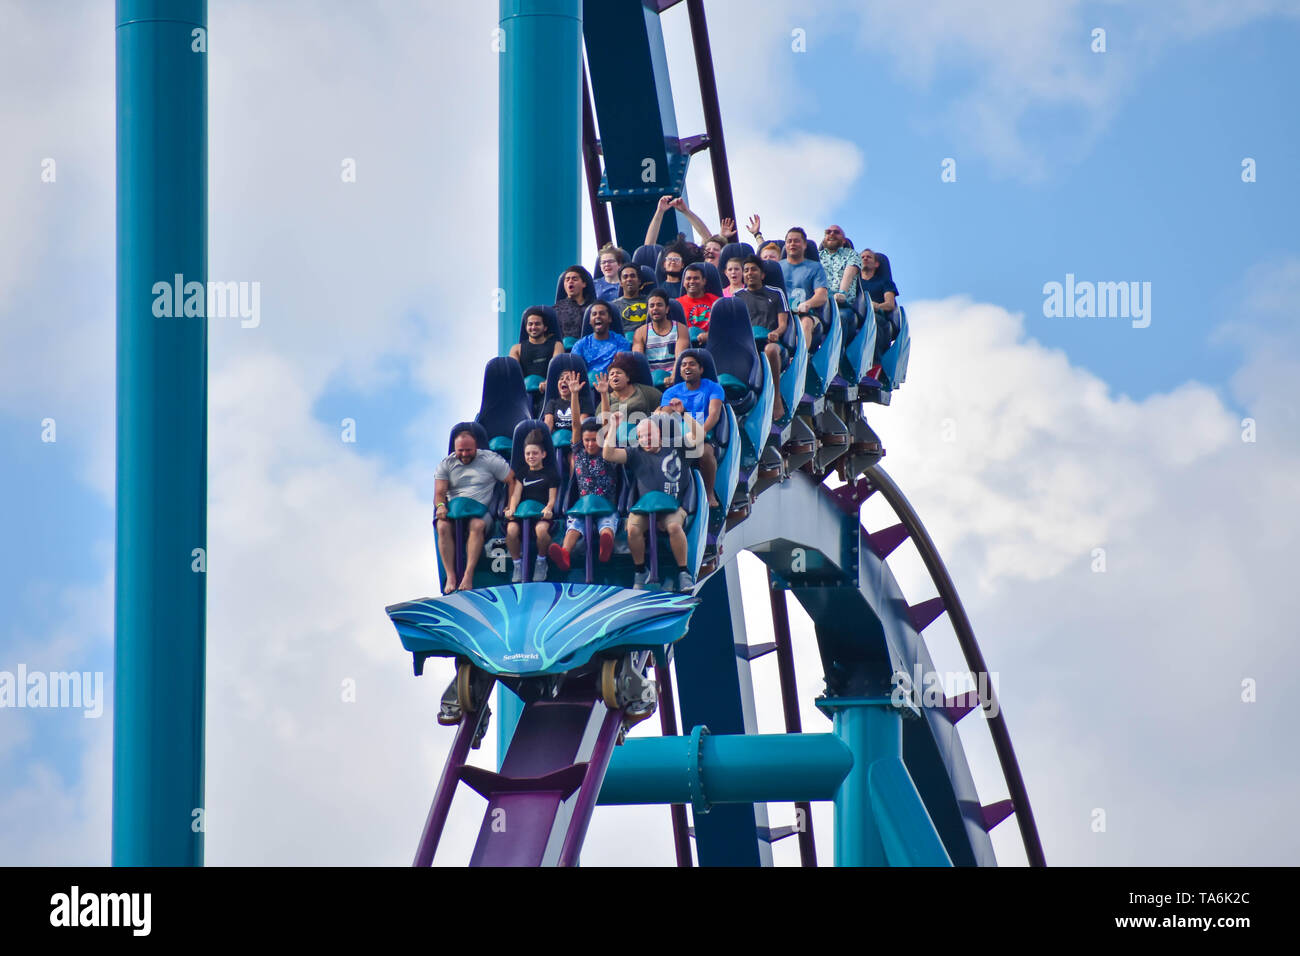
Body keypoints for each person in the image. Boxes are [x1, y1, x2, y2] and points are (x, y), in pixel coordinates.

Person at [603, 409, 703, 592]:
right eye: (641, 437)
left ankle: (683, 572)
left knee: (673, 527)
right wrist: (612, 427)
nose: (646, 440)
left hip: (672, 507)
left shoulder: (676, 445)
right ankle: (641, 571)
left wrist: (684, 415)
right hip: (645, 508)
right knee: (632, 529)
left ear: (659, 433)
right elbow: (608, 455)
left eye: (649, 435)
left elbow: (699, 436)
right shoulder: (635, 453)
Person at [433, 424, 515, 593]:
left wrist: (510, 504)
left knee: (476, 526)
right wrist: (441, 506)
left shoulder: (490, 460)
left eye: (468, 450)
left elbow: (512, 480)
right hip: (454, 511)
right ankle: (451, 576)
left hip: (481, 511)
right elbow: (439, 493)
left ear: (476, 446)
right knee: (442, 526)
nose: (464, 454)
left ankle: (468, 575)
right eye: (460, 450)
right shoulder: (446, 464)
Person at [548, 399, 619, 572]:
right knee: (574, 525)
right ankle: (565, 553)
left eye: (594, 440)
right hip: (583, 505)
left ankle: (605, 546)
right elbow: (575, 424)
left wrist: (603, 393)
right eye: (586, 440)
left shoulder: (606, 452)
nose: (589, 444)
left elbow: (608, 426)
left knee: (607, 523)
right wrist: (574, 394)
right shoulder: (578, 451)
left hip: (606, 504)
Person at [660, 350, 723, 508]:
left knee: (705, 453)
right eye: (683, 365)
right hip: (679, 436)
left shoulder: (713, 387)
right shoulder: (671, 392)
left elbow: (714, 415)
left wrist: (700, 434)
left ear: (701, 369)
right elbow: (664, 414)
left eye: (692, 364)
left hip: (705, 435)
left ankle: (709, 493)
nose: (687, 367)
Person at [735, 256, 790, 420]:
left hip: (770, 340)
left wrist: (776, 333)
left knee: (771, 350)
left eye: (753, 269)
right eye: (746, 270)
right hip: (747, 344)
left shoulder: (775, 293)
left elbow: (783, 324)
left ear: (762, 274)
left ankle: (776, 397)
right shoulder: (737, 297)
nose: (749, 273)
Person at [502, 427, 560, 582]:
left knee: (541, 530)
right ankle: (517, 564)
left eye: (535, 453)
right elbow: (516, 495)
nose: (531, 456)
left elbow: (552, 498)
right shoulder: (522, 473)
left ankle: (541, 561)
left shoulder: (551, 474)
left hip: (540, 513)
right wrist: (512, 508)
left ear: (543, 454)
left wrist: (548, 508)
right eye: (528, 454)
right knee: (511, 530)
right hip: (523, 513)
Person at [779, 227, 829, 348]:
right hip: (781, 314)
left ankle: (800, 360)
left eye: (796, 241)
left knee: (805, 323)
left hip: (806, 314)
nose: (792, 244)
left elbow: (821, 295)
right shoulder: (778, 267)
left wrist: (808, 304)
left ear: (805, 245)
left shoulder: (815, 267)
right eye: (789, 241)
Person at [633, 288, 689, 385]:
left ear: (667, 309)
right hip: (650, 381)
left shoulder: (681, 329)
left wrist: (673, 378)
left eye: (659, 305)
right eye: (652, 306)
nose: (655, 308)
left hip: (675, 379)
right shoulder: (640, 332)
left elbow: (680, 357)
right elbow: (639, 362)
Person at [859, 249, 900, 371]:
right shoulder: (855, 282)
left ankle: (875, 366)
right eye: (862, 257)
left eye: (869, 257)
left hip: (877, 315)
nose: (865, 259)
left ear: (876, 264)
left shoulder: (884, 282)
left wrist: (877, 306)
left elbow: (890, 304)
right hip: (859, 315)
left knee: (875, 323)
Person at [508, 307, 563, 400]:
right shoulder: (516, 349)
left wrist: (547, 383)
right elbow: (513, 375)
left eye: (537, 324)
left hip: (549, 394)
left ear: (545, 327)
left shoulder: (557, 345)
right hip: (524, 395)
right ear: (526, 327)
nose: (533, 327)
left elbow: (556, 370)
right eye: (530, 324)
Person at [571, 300, 632, 377]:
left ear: (609, 318)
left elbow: (620, 370)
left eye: (602, 313)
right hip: (587, 386)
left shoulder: (621, 342)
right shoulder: (580, 345)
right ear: (589, 321)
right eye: (594, 314)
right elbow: (576, 371)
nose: (597, 316)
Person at [597, 351, 662, 422]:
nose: (615, 375)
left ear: (627, 377)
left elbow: (663, 406)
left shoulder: (646, 392)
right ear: (609, 381)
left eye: (618, 373)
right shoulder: (606, 399)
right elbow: (604, 427)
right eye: (611, 374)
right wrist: (603, 394)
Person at [676, 263, 721, 346]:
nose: (692, 281)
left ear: (704, 281)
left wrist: (709, 336)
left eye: (696, 278)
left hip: (714, 345)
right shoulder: (676, 305)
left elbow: (725, 328)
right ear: (683, 282)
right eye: (688, 278)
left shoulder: (717, 302)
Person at [819, 225, 860, 311]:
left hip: (842, 304)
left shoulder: (851, 254)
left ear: (844, 240)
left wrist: (842, 293)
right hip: (819, 300)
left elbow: (849, 274)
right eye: (828, 232)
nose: (832, 234)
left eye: (836, 232)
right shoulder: (817, 256)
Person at [555, 265, 597, 342]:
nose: (570, 281)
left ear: (584, 284)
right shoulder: (556, 310)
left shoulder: (595, 308)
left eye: (574, 279)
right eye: (567, 279)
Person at [612, 262, 649, 335]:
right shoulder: (613, 307)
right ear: (621, 283)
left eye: (632, 276)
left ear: (639, 281)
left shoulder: (651, 302)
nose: (629, 279)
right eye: (625, 277)